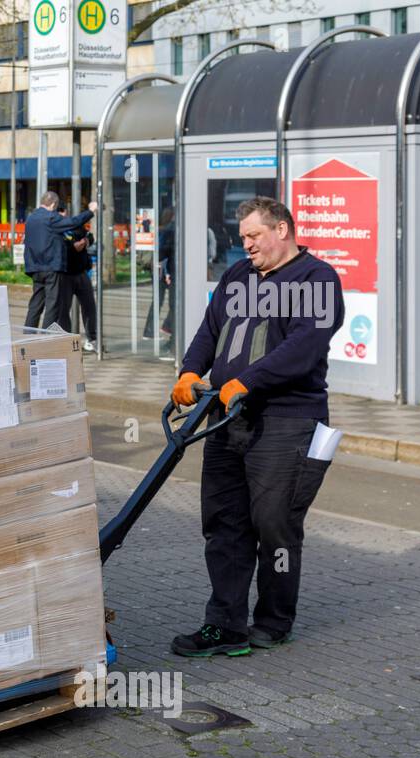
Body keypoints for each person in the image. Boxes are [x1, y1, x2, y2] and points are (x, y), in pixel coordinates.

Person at [169, 196, 344, 658]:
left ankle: (273, 620)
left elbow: (304, 348)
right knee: (224, 522)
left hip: (287, 420)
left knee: (275, 524)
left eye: (254, 236)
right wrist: (191, 371)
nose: (246, 244)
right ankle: (224, 624)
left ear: (282, 229)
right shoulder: (237, 276)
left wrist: (248, 381)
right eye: (243, 237)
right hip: (227, 419)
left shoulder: (317, 279)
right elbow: (210, 328)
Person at [23, 191, 97, 331]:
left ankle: (27, 337)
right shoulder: (51, 218)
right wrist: (90, 211)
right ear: (53, 204)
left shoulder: (31, 218)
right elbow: (73, 222)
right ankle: (46, 341)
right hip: (51, 268)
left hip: (35, 268)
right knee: (53, 305)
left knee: (36, 305)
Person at [63, 216, 99, 352]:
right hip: (65, 273)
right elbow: (68, 246)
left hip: (81, 272)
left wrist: (84, 241)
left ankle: (92, 338)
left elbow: (90, 237)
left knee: (89, 306)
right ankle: (66, 341)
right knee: (63, 309)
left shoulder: (80, 228)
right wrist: (75, 245)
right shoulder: (60, 228)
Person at [143, 207, 176, 340]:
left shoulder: (161, 230)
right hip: (162, 271)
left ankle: (150, 331)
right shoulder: (170, 230)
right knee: (171, 302)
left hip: (158, 270)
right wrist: (168, 273)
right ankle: (165, 328)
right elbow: (164, 254)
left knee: (158, 301)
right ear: (173, 216)